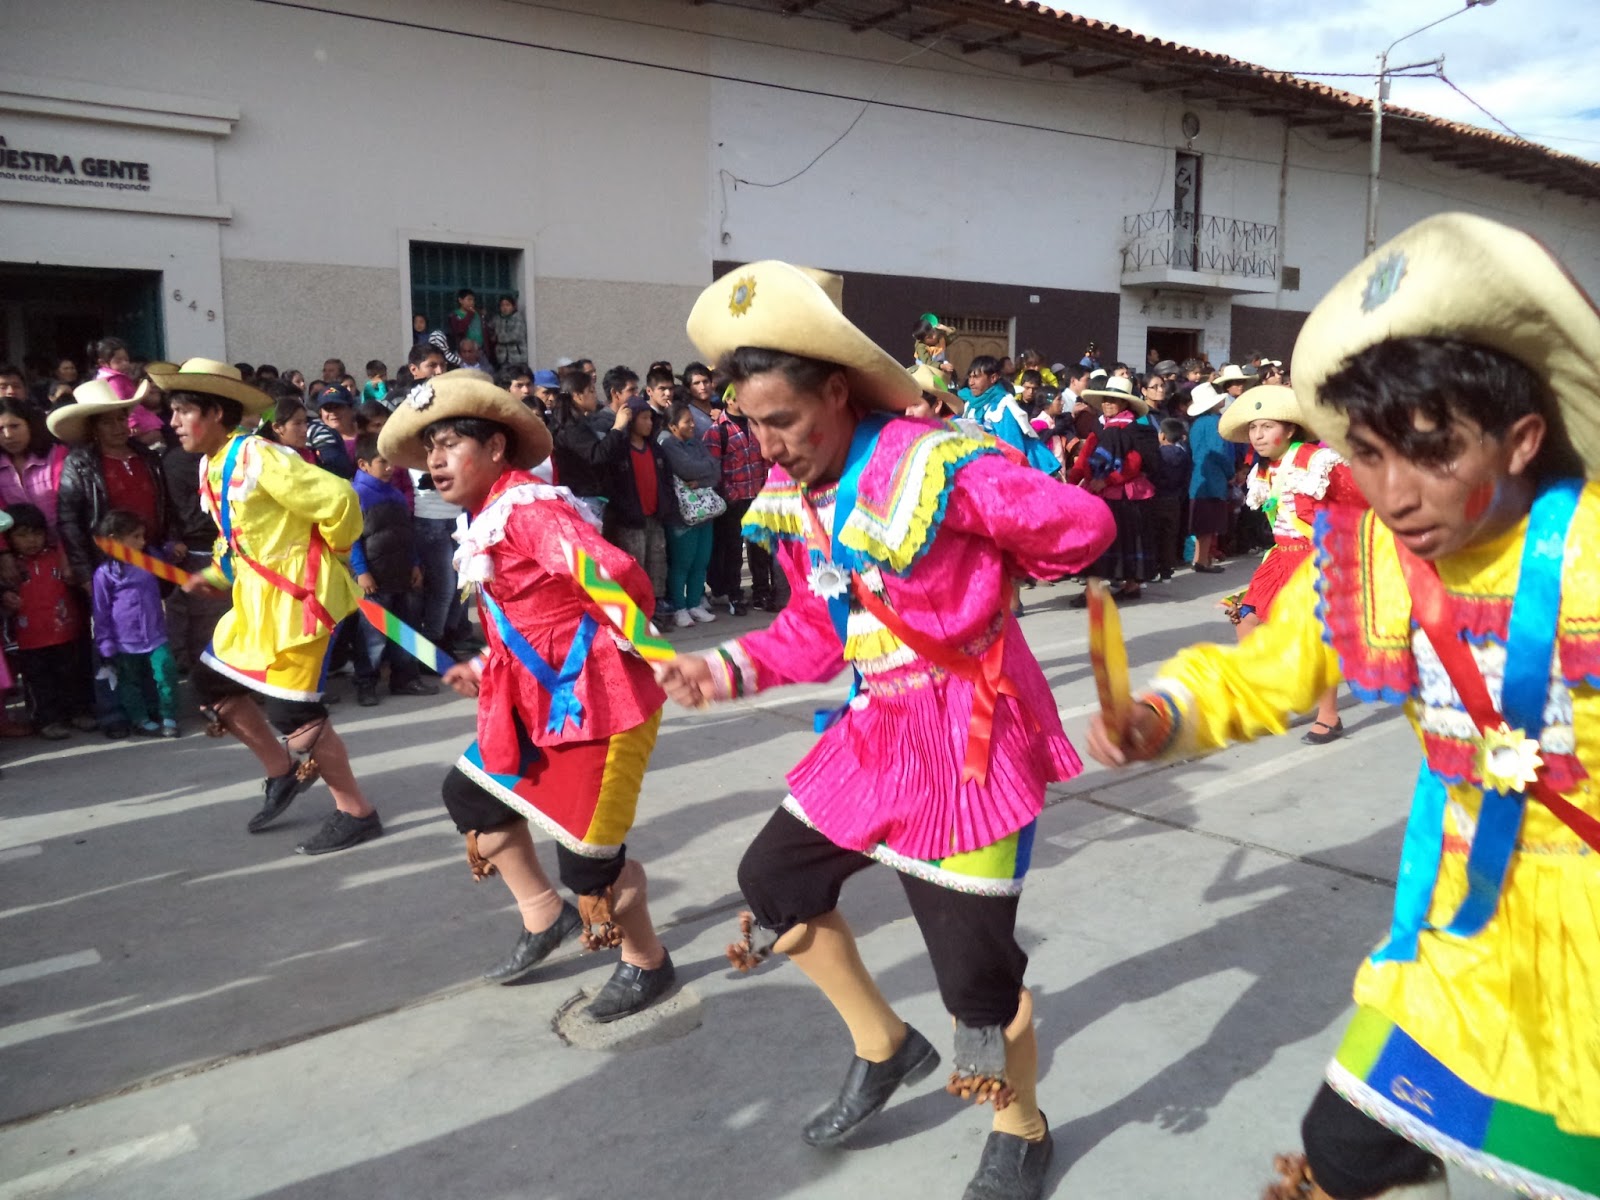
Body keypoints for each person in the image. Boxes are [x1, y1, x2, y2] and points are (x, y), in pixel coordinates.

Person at [1088, 213, 1600, 1200]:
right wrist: (1157, 717)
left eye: (1431, 453)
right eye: (1366, 456)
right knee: (1352, 1146)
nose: (1395, 493)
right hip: (1465, 926)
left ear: (1523, 437)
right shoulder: (1369, 555)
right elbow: (1267, 666)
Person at [659, 261, 1118, 1200]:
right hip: (877, 728)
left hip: (970, 733)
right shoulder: (799, 502)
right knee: (773, 881)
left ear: (836, 392)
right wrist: (722, 668)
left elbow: (1083, 528)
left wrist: (989, 518)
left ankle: (1020, 1127)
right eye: (751, 422)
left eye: (782, 420)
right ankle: (884, 1045)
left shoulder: (928, 461)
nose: (768, 444)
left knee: (977, 983)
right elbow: (812, 629)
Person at [377, 370, 676, 1019]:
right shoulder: (486, 515)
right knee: (468, 794)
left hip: (596, 702)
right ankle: (546, 917)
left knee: (591, 865)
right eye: (430, 447)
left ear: (496, 450)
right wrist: (489, 664)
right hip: (531, 701)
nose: (435, 459)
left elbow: (612, 574)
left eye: (452, 442)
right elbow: (531, 612)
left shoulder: (530, 509)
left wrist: (651, 654)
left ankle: (647, 961)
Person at [159, 358, 381, 856]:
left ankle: (356, 812)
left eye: (182, 411)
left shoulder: (260, 456)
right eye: (171, 412)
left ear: (216, 413)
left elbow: (340, 499)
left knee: (294, 715)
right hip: (256, 602)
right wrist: (214, 574)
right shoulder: (211, 465)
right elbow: (238, 540)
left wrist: (337, 557)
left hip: (298, 602)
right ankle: (282, 773)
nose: (171, 423)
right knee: (211, 684)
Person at [1219, 384, 1363, 744]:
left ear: (1291, 429)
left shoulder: (1318, 461)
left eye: (1266, 426)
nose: (1258, 435)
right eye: (1253, 428)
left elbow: (1358, 503)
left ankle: (1329, 715)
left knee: (1317, 638)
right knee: (1247, 621)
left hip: (1318, 559)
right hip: (1281, 558)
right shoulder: (1261, 471)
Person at [348, 434, 435, 704]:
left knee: (405, 630)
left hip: (402, 573)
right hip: (374, 577)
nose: (389, 468)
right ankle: (367, 683)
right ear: (363, 464)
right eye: (381, 462)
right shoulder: (355, 495)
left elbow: (406, 532)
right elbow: (351, 540)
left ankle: (405, 678)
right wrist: (361, 571)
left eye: (391, 462)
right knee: (372, 635)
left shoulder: (396, 494)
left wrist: (416, 563)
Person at [2, 502, 96, 738]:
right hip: (29, 639)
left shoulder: (58, 559)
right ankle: (46, 721)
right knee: (39, 683)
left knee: (72, 675)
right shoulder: (9, 568)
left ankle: (78, 712)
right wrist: (5, 595)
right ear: (8, 538)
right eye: (22, 535)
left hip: (65, 632)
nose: (31, 540)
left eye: (36, 533)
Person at [1068, 376, 1159, 602]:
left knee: (1126, 539)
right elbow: (1085, 457)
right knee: (1100, 540)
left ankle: (1127, 586)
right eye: (1106, 400)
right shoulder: (1099, 428)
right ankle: (1100, 588)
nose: (1108, 404)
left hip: (1126, 495)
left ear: (1125, 404)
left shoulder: (1136, 430)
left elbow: (1134, 463)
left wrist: (1107, 480)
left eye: (1114, 401)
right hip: (1101, 492)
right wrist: (1071, 481)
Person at [91, 509, 179, 738]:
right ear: (114, 540)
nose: (142, 541)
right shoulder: (104, 573)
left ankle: (168, 715)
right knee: (130, 682)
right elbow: (100, 611)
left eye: (142, 536)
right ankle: (140, 718)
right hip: (124, 641)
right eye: (136, 537)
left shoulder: (149, 560)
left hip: (156, 635)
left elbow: (168, 567)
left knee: (166, 672)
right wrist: (106, 641)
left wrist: (168, 551)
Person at [658, 402, 720, 628]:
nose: (693, 424)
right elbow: (687, 469)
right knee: (682, 562)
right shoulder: (667, 443)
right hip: (681, 515)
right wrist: (703, 471)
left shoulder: (696, 442)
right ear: (673, 426)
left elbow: (715, 468)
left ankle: (695, 603)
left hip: (704, 511)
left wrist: (701, 480)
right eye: (687, 421)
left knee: (701, 560)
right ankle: (680, 607)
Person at [704, 386, 764, 615]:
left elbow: (764, 458)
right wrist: (728, 493)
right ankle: (733, 593)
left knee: (760, 547)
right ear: (728, 399)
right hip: (733, 499)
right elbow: (713, 466)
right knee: (732, 550)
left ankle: (761, 590)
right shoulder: (717, 430)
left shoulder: (755, 424)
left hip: (757, 495)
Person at [608, 396, 671, 604]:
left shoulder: (656, 450)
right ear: (632, 421)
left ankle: (656, 603)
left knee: (657, 563)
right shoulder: (620, 451)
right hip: (631, 521)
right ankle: (637, 609)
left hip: (655, 516)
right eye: (644, 418)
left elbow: (666, 481)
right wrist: (624, 510)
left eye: (651, 418)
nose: (649, 423)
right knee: (636, 566)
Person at [0, 397, 69, 543]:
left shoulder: (57, 456)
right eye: (0, 429)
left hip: (67, 545)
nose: (8, 435)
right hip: (21, 557)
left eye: (14, 426)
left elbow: (69, 511)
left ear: (30, 425)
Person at [1186, 381, 1230, 573]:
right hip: (1214, 479)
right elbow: (1220, 452)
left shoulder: (1196, 424)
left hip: (1198, 477)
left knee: (1201, 522)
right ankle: (1203, 560)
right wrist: (1230, 472)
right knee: (1209, 524)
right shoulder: (1214, 423)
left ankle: (1200, 558)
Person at [1151, 418, 1191, 581]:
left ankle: (1153, 570)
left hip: (1157, 499)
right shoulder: (1183, 455)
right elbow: (1186, 478)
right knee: (1169, 536)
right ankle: (1166, 572)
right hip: (1174, 499)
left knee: (1154, 535)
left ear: (1162, 435)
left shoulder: (1158, 454)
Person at [306, 386, 358, 477]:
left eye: (338, 407)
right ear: (320, 413)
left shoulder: (368, 434)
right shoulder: (315, 442)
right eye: (327, 408)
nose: (333, 413)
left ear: (351, 409)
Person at [489, 294, 527, 368]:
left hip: (517, 357)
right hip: (502, 357)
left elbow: (515, 336)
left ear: (513, 306)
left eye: (507, 305)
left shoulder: (518, 318)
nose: (504, 308)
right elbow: (489, 329)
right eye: (502, 305)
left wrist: (498, 338)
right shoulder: (497, 319)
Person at [446, 288, 483, 352]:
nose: (472, 302)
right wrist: (469, 315)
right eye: (469, 300)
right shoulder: (455, 315)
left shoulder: (478, 314)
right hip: (464, 351)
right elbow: (459, 330)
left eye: (473, 300)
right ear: (460, 300)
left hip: (479, 349)